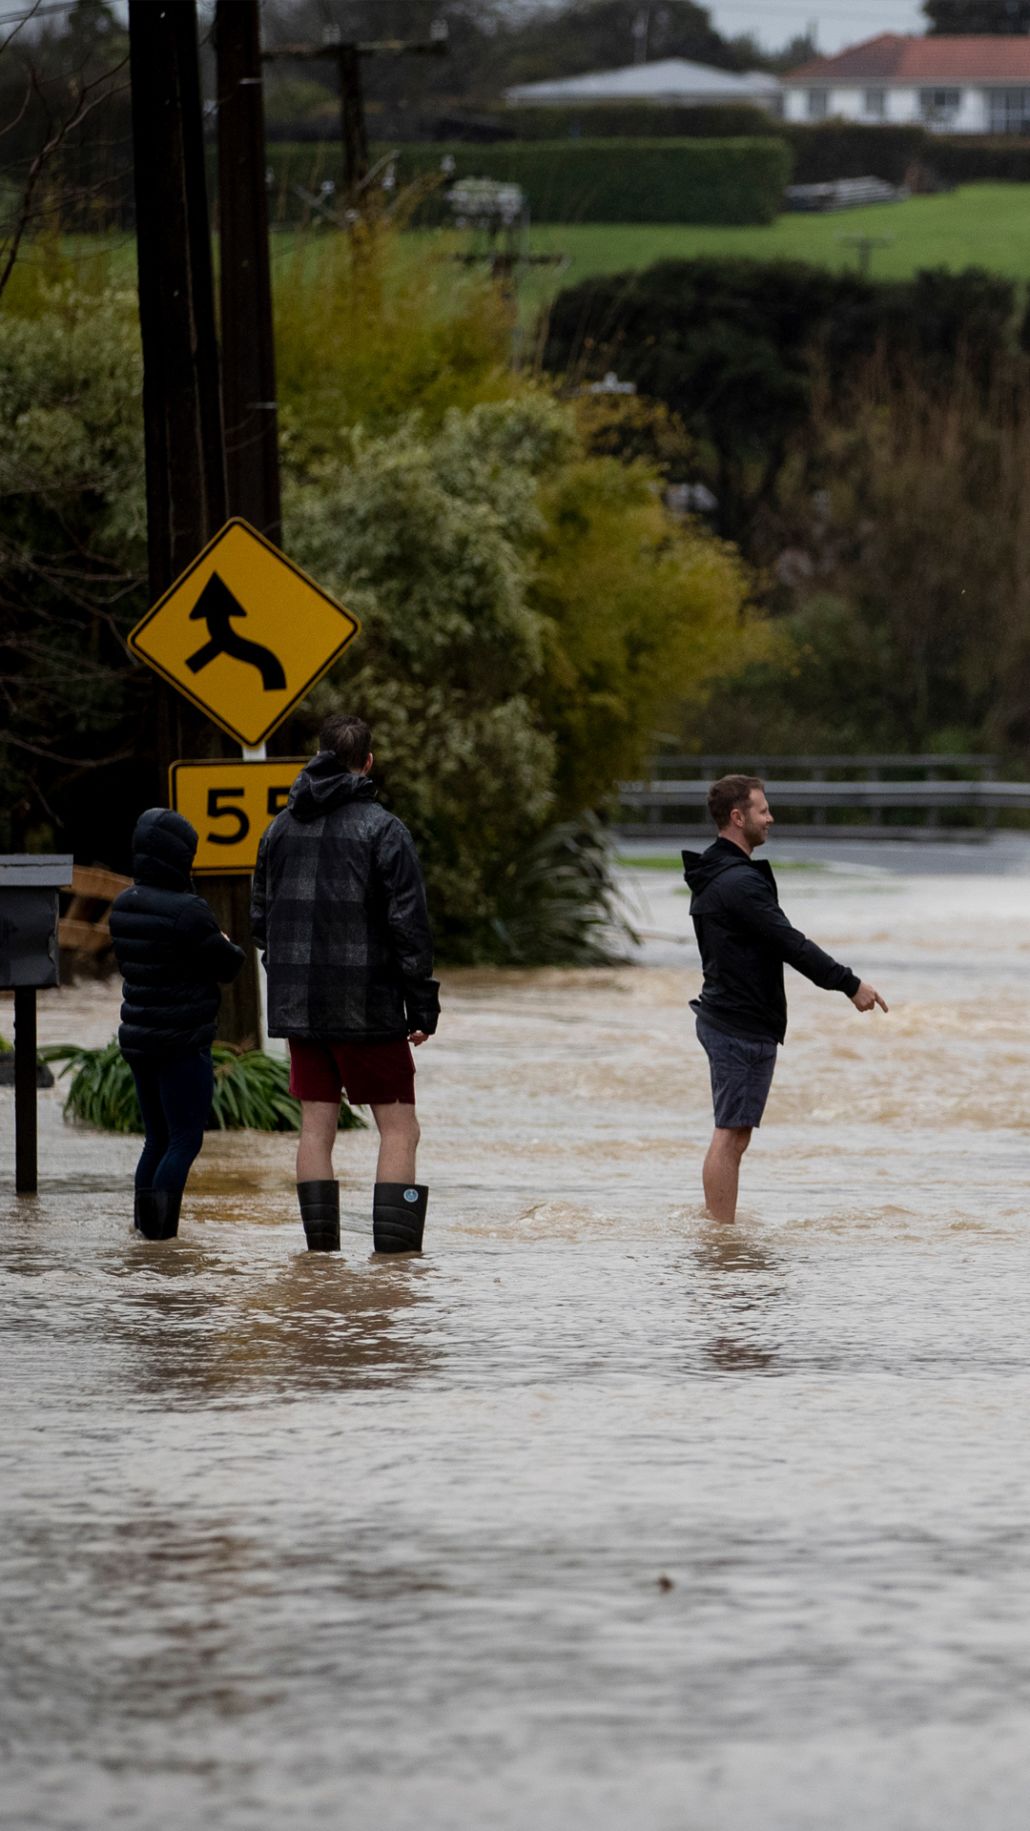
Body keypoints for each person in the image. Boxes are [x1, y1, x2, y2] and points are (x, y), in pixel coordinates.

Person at [251, 713, 439, 1255]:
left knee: (315, 1127)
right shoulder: (384, 830)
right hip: (369, 1007)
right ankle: (395, 1263)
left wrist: (291, 978)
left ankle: (320, 1258)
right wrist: (421, 1004)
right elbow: (409, 926)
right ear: (368, 763)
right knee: (401, 1129)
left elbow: (260, 921)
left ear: (320, 756)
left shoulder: (278, 829)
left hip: (300, 1007)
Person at [683, 775, 887, 1224]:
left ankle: (718, 1228)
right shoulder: (737, 882)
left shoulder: (717, 874)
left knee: (734, 1134)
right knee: (730, 1135)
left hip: (736, 1019)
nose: (770, 817)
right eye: (762, 810)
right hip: (736, 1023)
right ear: (738, 818)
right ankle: (721, 1239)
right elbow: (790, 944)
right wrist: (850, 985)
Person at [109, 809, 245, 1240]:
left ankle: (144, 1235)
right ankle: (162, 1239)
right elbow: (228, 966)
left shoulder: (123, 905)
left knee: (156, 1139)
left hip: (139, 1039)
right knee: (185, 1140)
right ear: (178, 857)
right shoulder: (189, 911)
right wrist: (225, 941)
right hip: (182, 1042)